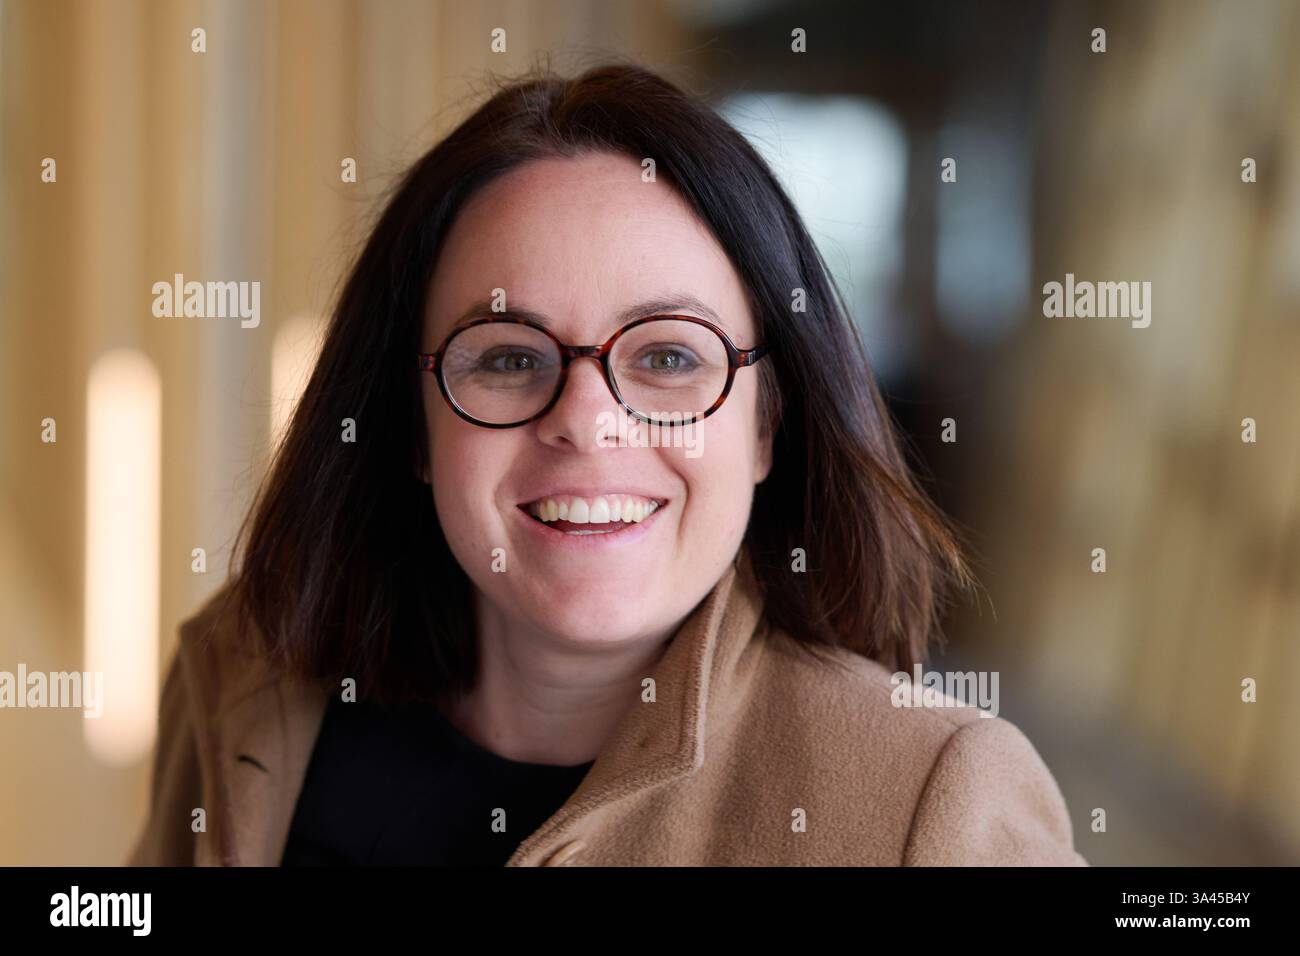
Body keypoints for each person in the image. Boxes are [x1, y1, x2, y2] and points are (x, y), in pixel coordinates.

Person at [127, 60, 1087, 867]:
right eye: (507, 355)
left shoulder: (934, 802)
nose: (588, 423)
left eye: (669, 356)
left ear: (765, 424)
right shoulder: (243, 687)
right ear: (414, 428)